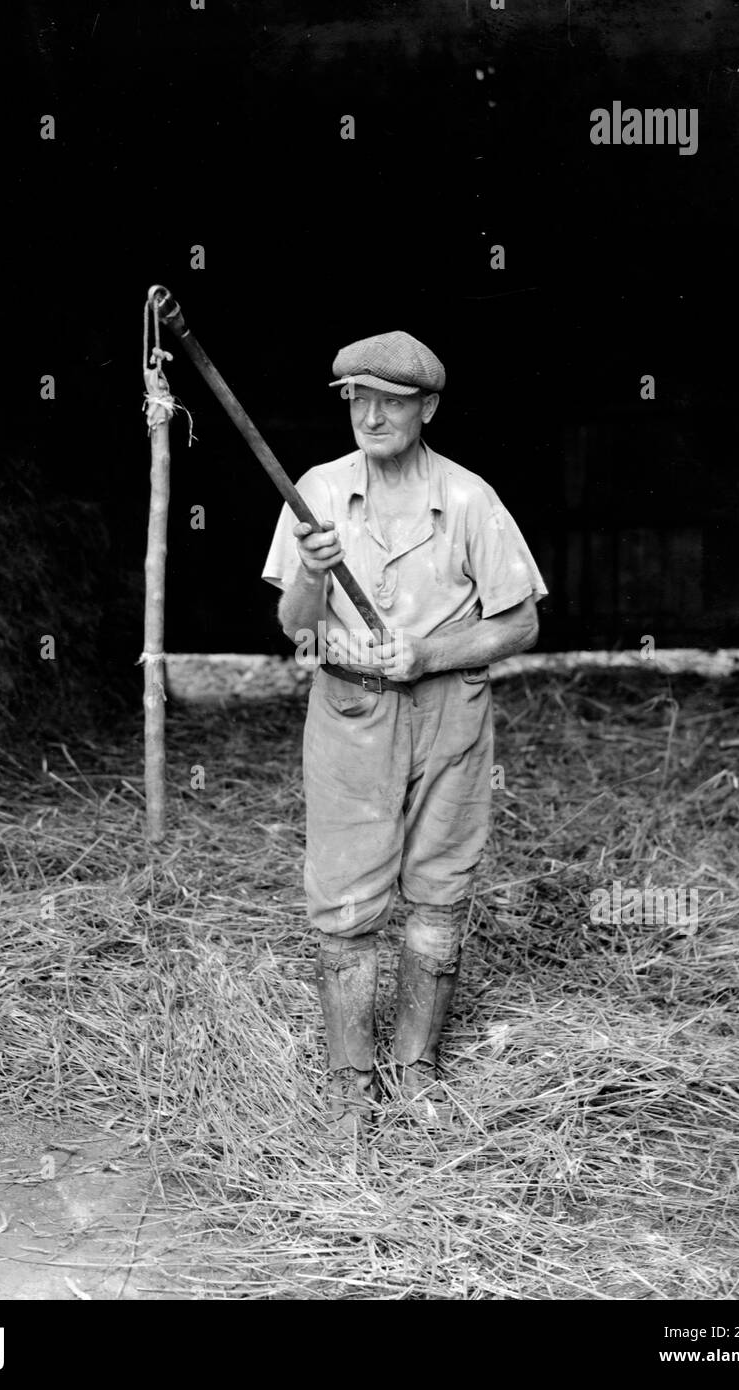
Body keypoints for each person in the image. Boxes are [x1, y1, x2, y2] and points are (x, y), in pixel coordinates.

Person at [262, 330, 547, 1135]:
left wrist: (426, 653)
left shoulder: (467, 499)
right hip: (349, 715)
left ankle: (415, 1066)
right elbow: (294, 629)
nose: (371, 413)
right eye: (357, 395)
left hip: (449, 712)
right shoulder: (313, 491)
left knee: (438, 889)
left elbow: (520, 621)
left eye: (391, 399)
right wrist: (314, 574)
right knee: (345, 899)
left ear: (427, 408)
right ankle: (351, 1078)